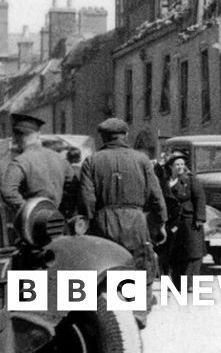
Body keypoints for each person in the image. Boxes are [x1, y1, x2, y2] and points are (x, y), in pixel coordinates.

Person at [79, 118, 167, 329]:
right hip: (136, 221)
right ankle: (138, 314)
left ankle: (109, 316)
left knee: (105, 268)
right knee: (141, 266)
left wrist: (89, 223)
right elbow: (157, 197)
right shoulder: (142, 160)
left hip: (103, 221)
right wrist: (160, 223)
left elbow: (87, 200)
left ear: (103, 137)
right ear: (125, 136)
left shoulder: (92, 161)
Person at [0, 113, 74, 214]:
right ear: (38, 134)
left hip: (29, 224)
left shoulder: (20, 161)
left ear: (16, 137)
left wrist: (29, 210)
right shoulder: (60, 159)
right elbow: (73, 185)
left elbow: (7, 192)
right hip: (56, 218)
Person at [159, 152, 206, 288]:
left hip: (189, 221)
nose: (180, 167)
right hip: (173, 222)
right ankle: (177, 283)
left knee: (193, 253)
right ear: (170, 167)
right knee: (175, 253)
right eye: (177, 164)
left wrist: (199, 218)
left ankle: (190, 283)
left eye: (182, 164)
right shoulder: (165, 181)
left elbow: (199, 198)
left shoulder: (191, 180)